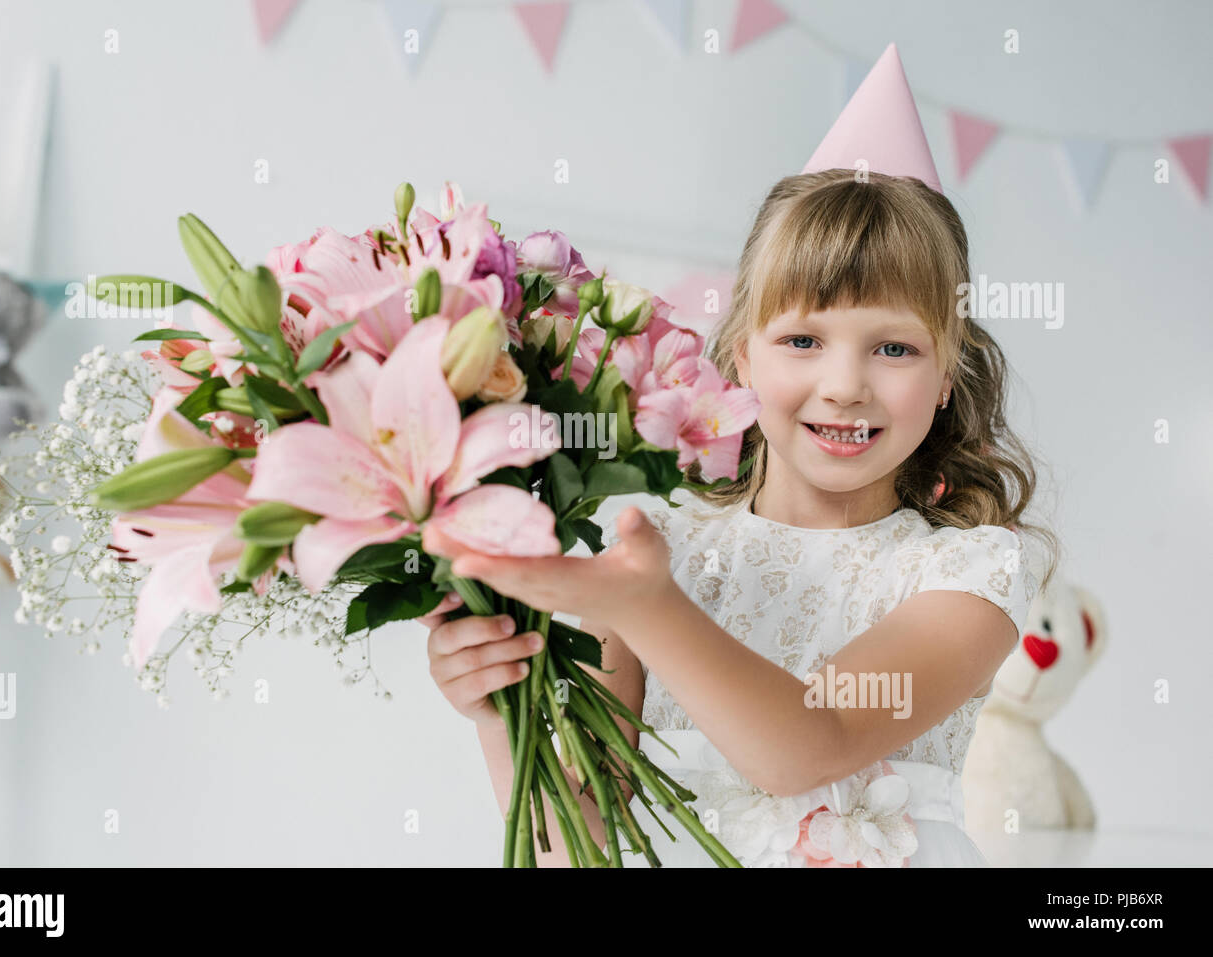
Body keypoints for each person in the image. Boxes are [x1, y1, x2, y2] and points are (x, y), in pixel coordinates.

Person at [421, 42, 1060, 867]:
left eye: (894, 349)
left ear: (946, 375)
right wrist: (500, 712)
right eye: (802, 338)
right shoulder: (658, 551)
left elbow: (809, 740)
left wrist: (650, 606)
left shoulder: (967, 575)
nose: (844, 385)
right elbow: (573, 847)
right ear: (743, 353)